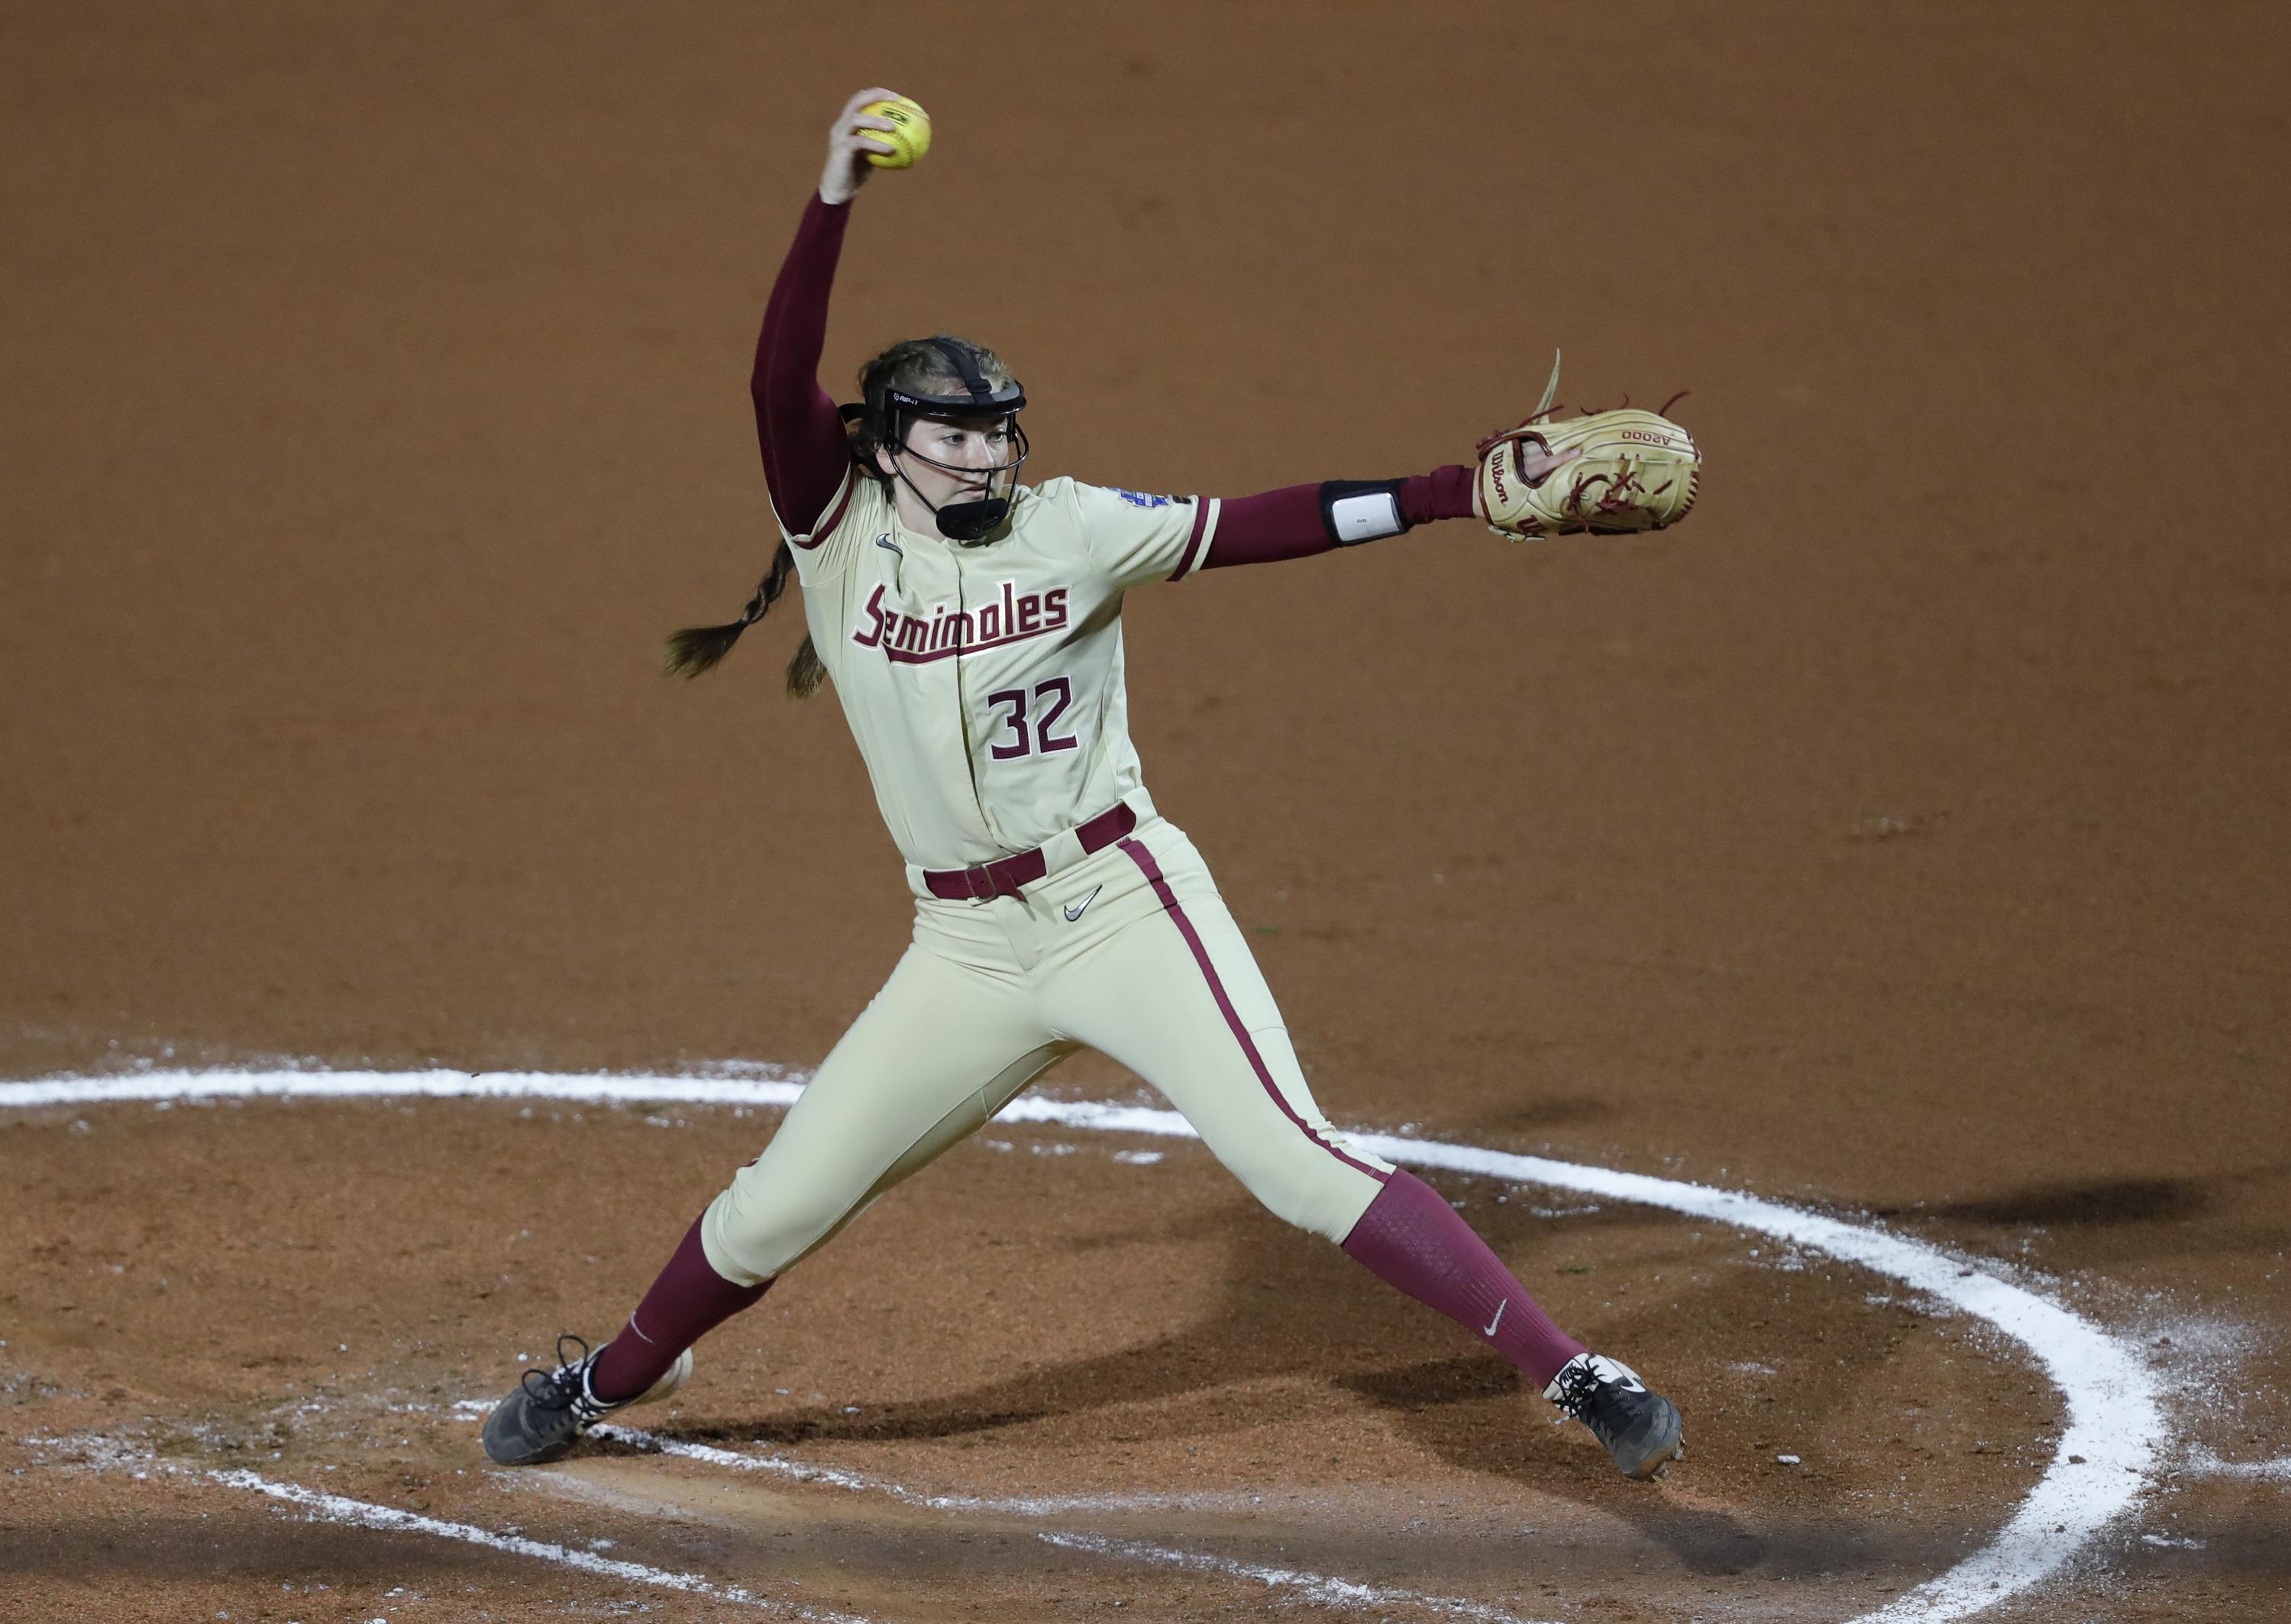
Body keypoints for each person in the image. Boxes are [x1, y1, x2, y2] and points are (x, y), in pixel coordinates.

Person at [482, 88, 1684, 1481]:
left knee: (1297, 1165)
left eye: (1000, 429)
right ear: (883, 445)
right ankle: (601, 1381)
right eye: (954, 434)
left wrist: (1439, 493)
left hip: (1122, 908)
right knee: (771, 1211)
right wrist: (833, 196)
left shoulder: (1075, 530)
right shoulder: (835, 533)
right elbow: (772, 383)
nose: (987, 452)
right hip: (964, 951)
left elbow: (1259, 525)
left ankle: (1578, 1374)